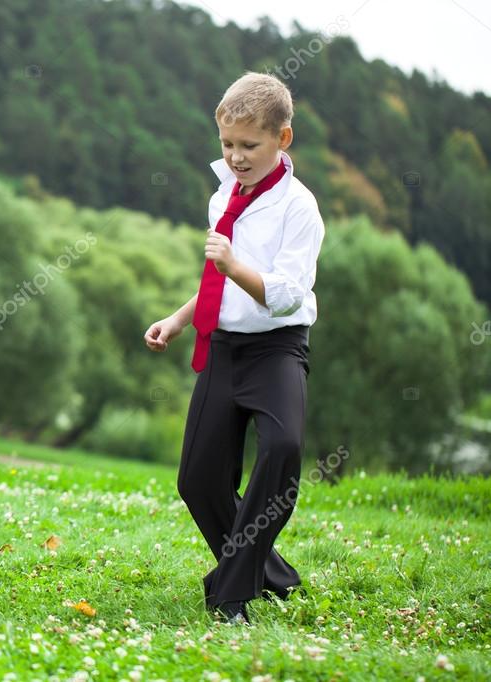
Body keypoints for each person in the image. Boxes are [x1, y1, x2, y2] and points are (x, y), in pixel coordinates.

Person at [144, 72, 325, 624]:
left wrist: (233, 264)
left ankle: (230, 595)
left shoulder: (300, 208)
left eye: (250, 145)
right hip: (223, 346)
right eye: (228, 144)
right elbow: (216, 282)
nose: (237, 156)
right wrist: (178, 320)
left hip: (277, 350)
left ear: (282, 139)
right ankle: (270, 573)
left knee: (284, 448)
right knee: (197, 479)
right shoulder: (222, 192)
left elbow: (288, 296)